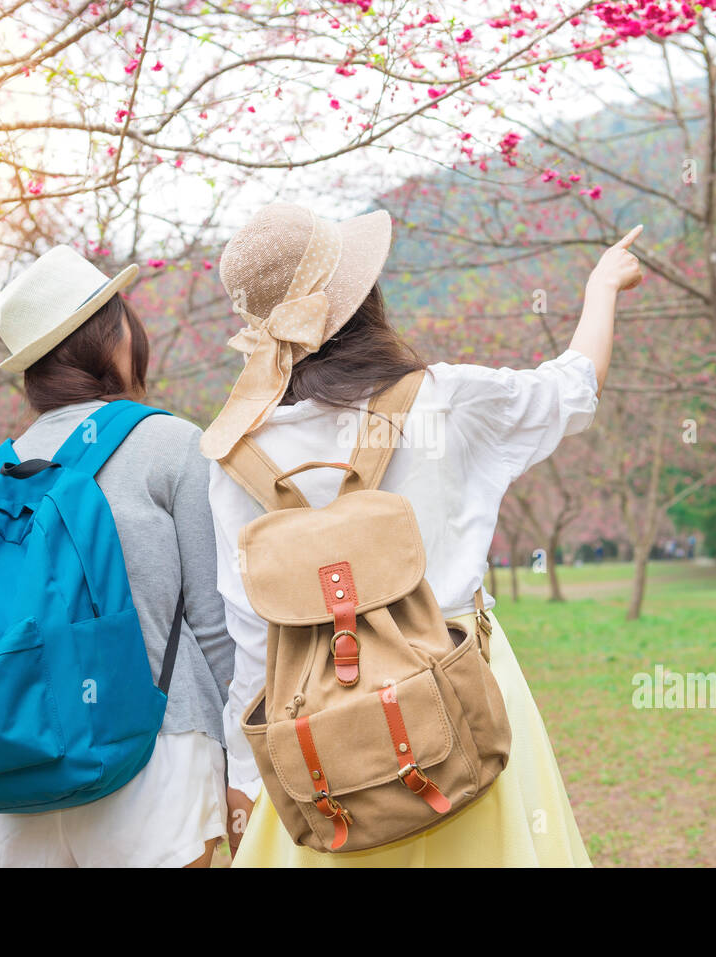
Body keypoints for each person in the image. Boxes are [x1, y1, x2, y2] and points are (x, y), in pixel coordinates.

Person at [202, 203, 643, 866]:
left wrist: (243, 775)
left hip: (327, 738)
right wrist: (601, 285)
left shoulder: (234, 454)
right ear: (363, 300)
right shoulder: (442, 398)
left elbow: (251, 639)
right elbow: (573, 390)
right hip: (456, 695)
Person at [0, 246, 234, 867]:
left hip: (27, 758)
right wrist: (246, 763)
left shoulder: (0, 471)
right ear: (112, 338)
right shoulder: (171, 444)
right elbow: (216, 624)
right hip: (160, 752)